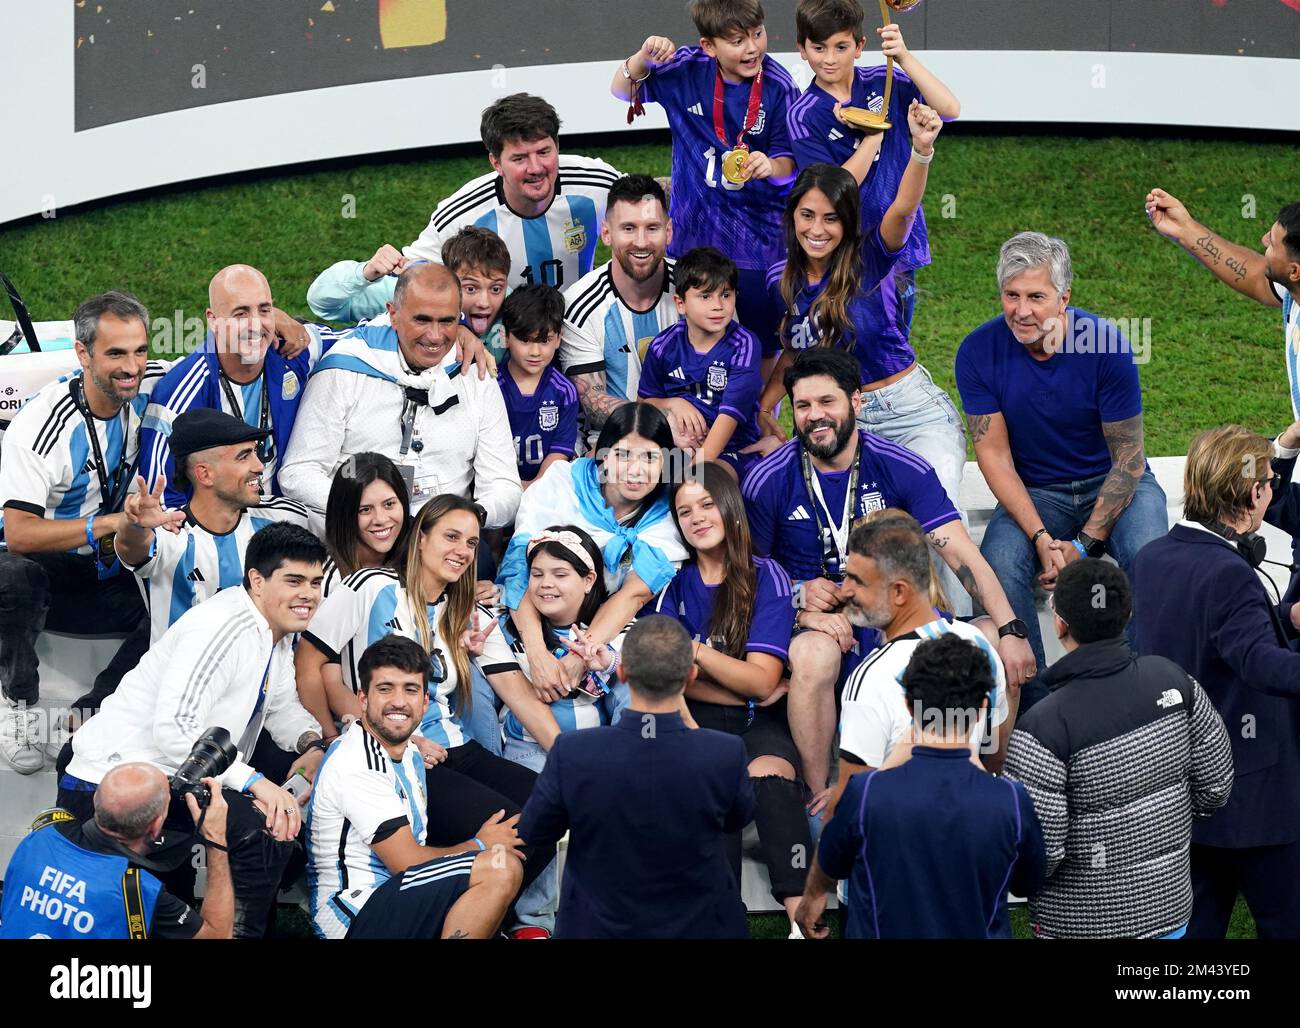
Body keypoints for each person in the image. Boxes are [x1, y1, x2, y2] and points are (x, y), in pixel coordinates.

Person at [742, 348, 1034, 805]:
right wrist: (798, 600)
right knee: (814, 652)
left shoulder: (902, 467)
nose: (815, 416)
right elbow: (746, 577)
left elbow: (961, 554)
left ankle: (985, 781)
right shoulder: (767, 481)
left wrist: (1014, 629)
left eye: (827, 402)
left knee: (994, 639)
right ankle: (824, 797)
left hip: (896, 619)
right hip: (822, 629)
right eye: (802, 406)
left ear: (856, 402)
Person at [300, 494, 557, 937]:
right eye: (451, 536)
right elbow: (311, 660)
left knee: (551, 807)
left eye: (473, 543)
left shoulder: (467, 612)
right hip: (406, 751)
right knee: (513, 826)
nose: (462, 550)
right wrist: (330, 736)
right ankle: (464, 915)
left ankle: (480, 916)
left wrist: (577, 761)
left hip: (454, 747)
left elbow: (519, 694)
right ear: (420, 537)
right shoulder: (371, 585)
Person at [59, 522, 330, 938]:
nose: (308, 594)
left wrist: (310, 743)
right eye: (294, 580)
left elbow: (279, 705)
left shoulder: (271, 629)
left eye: (315, 582)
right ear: (257, 580)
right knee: (264, 829)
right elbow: (175, 728)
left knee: (257, 839)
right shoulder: (225, 627)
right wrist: (256, 782)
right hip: (110, 784)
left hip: (173, 777)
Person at [956, 231, 1168, 708]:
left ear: (1064, 297)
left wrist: (1082, 545)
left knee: (1150, 555)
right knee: (997, 564)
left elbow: (1129, 460)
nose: (1022, 310)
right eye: (1011, 295)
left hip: (1113, 480)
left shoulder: (1106, 345)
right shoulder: (977, 351)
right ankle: (1040, 706)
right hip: (1037, 492)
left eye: (1036, 296)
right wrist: (1038, 537)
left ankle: (1132, 694)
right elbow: (994, 456)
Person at [1005, 559, 1234, 939]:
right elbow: (1216, 787)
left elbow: (1038, 855)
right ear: (1127, 614)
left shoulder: (1041, 727)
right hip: (1170, 909)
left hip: (1078, 926)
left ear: (1058, 622)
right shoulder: (1175, 680)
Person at [1133, 425, 1300, 938]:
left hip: (1184, 790)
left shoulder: (1151, 558)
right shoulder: (1229, 574)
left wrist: (1284, 618)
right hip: (1254, 800)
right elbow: (1261, 666)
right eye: (1270, 482)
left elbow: (1206, 631)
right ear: (1254, 494)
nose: (1274, 491)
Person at [0, 291, 168, 773]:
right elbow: (19, 534)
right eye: (116, 353)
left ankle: (89, 714)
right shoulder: (42, 423)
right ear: (82, 354)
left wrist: (279, 318)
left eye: (140, 350)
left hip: (106, 564)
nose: (132, 366)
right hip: (44, 565)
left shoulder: (149, 385)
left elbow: (217, 349)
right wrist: (111, 523)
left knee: (183, 589)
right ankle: (18, 700)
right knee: (13, 578)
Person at [519, 615, 755, 939]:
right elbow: (735, 819)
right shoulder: (724, 753)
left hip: (596, 928)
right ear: (691, 675)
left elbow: (535, 830)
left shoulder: (573, 753)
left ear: (621, 672)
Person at [796, 634, 1046, 939]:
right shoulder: (1011, 801)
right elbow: (1027, 882)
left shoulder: (864, 795)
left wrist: (811, 899)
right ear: (982, 707)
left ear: (909, 705)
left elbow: (831, 861)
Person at [761, 154, 964, 520]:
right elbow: (795, 351)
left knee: (939, 523)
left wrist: (920, 152)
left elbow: (903, 210)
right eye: (807, 215)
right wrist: (764, 406)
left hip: (910, 412)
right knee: (849, 534)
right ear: (792, 216)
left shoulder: (867, 258)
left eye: (831, 218)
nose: (817, 229)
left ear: (847, 221)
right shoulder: (780, 279)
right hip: (839, 421)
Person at [655, 463, 809, 933]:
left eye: (706, 505)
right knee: (712, 781)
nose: (697, 518)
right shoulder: (672, 584)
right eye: (684, 512)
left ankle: (802, 917)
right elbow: (674, 680)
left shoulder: (767, 575)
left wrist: (697, 653)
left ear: (729, 508)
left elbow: (763, 683)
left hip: (758, 723)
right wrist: (739, 679)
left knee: (773, 782)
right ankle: (724, 920)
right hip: (697, 717)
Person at [614, 0, 798, 363]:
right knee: (695, 342)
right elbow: (623, 90)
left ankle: (758, 419)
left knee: (761, 347)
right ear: (708, 46)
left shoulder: (779, 86)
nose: (751, 48)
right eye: (736, 40)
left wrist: (770, 167)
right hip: (691, 241)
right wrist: (642, 58)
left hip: (759, 247)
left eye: (757, 35)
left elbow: (791, 168)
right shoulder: (685, 69)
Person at [306, 635, 524, 939]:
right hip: (354, 917)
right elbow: (406, 862)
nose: (398, 701)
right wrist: (479, 845)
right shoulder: (358, 762)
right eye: (385, 689)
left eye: (410, 690)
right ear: (363, 698)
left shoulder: (409, 751)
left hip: (395, 897)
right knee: (500, 867)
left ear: (424, 701)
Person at [279, 262, 521, 523]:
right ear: (393, 315)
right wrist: (364, 511)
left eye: (447, 321)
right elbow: (298, 472)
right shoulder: (346, 368)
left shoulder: (476, 375)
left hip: (441, 538)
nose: (435, 336)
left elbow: (504, 484)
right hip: (356, 532)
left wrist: (469, 518)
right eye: (422, 320)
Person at [497, 403, 689, 699]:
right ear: (603, 455)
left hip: (604, 628)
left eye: (650, 457)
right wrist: (536, 653)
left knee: (641, 678)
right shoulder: (563, 484)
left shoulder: (667, 514)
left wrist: (578, 658)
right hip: (534, 614)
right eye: (623, 455)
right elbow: (519, 567)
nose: (636, 471)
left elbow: (633, 595)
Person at [834, 514, 1013, 805]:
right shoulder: (981, 644)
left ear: (899, 590)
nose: (845, 590)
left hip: (901, 828)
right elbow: (993, 754)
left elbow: (856, 799)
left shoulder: (870, 676)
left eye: (857, 579)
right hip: (975, 813)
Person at [789, 0, 960, 293]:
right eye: (819, 48)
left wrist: (903, 56)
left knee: (895, 335)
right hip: (846, 251)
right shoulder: (803, 115)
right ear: (802, 49)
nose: (830, 59)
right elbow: (832, 191)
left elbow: (949, 109)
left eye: (841, 47)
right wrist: (873, 136)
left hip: (899, 239)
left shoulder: (884, 79)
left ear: (859, 46)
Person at [139, 264, 341, 508]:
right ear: (212, 320)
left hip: (288, 515)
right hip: (217, 530)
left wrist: (363, 274)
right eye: (241, 313)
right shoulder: (180, 395)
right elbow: (161, 504)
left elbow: (360, 340)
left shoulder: (293, 350)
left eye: (264, 310)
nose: (256, 325)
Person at [114, 408, 313, 645]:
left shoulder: (287, 518)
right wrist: (133, 524)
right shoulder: (172, 531)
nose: (259, 466)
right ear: (205, 474)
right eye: (244, 456)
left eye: (256, 452)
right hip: (185, 678)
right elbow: (131, 547)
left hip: (270, 679)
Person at [405, 93, 620, 290]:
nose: (536, 168)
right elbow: (410, 271)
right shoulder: (461, 216)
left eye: (544, 152)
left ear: (556, 146)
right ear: (496, 163)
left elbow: (647, 199)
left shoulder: (597, 182)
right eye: (520, 158)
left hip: (581, 325)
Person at [0, 765, 233, 939]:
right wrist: (216, 839)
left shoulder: (42, 833)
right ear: (156, 824)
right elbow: (218, 935)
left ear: (95, 798)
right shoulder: (138, 892)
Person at [1145, 191, 1300, 417]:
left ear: (1294, 271)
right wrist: (1185, 229)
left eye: (1273, 244)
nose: (1264, 239)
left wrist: (1285, 444)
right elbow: (1255, 276)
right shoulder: (1293, 290)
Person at [296, 452, 412, 738]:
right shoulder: (329, 578)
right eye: (365, 510)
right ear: (344, 514)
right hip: (354, 725)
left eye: (389, 504)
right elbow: (311, 667)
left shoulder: (413, 563)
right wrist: (329, 737)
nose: (381, 519)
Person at [561, 174, 679, 443]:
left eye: (652, 228)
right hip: (614, 447)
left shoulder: (698, 290)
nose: (640, 241)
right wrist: (667, 414)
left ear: (669, 231)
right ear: (606, 233)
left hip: (692, 441)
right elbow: (594, 404)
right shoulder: (580, 306)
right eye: (628, 228)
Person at [638, 246, 778, 473]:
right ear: (680, 303)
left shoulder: (744, 345)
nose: (718, 306)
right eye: (705, 296)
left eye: (726, 294)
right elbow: (644, 403)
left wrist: (694, 472)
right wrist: (673, 404)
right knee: (625, 470)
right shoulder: (664, 345)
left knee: (706, 488)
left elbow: (728, 416)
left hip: (732, 449)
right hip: (677, 446)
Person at [308, 228, 512, 361]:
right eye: (470, 289)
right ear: (446, 280)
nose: (484, 302)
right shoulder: (410, 297)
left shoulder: (515, 308)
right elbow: (321, 302)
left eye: (496, 289)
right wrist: (365, 272)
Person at [496, 285, 579, 486]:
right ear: (505, 337)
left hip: (545, 485)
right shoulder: (491, 385)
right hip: (497, 483)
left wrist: (535, 487)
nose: (535, 352)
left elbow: (560, 451)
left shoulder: (564, 392)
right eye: (525, 340)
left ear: (559, 339)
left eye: (544, 341)